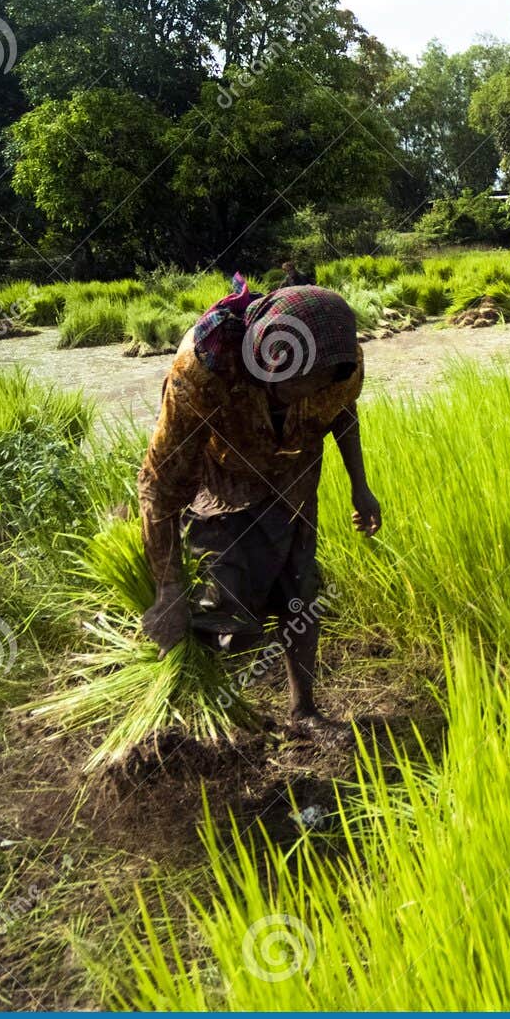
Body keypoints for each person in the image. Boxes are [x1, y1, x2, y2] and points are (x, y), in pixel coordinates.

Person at [138, 281, 382, 734]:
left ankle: (303, 710)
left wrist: (359, 486)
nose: (312, 390)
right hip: (223, 483)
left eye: (321, 380)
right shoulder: (204, 369)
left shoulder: (341, 364)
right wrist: (167, 589)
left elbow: (342, 411)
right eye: (301, 381)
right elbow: (158, 484)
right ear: (268, 362)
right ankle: (194, 716)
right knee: (225, 606)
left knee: (300, 590)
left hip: (295, 478)